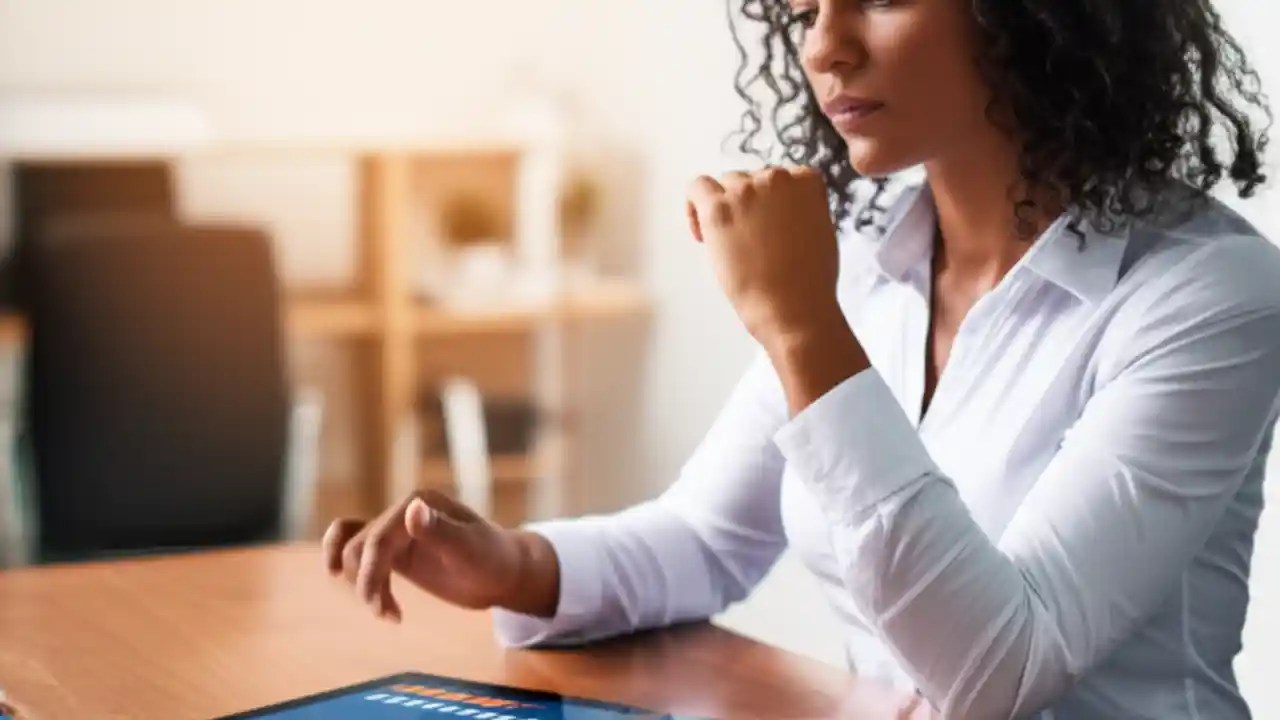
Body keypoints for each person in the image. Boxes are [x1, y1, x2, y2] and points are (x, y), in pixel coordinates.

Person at [323, 1, 1280, 717]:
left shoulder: (1208, 295)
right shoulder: (864, 259)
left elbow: (1002, 672)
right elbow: (705, 540)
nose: (824, 46)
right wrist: (513, 562)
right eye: (804, 3)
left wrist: (799, 326)